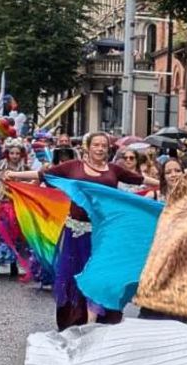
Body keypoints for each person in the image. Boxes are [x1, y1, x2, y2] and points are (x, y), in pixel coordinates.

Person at [37, 131, 143, 330]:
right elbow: (44, 175)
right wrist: (13, 175)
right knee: (75, 274)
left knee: (100, 274)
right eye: (96, 145)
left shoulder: (114, 169)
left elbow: (139, 180)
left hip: (103, 234)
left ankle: (94, 322)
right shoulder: (73, 167)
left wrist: (172, 181)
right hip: (76, 233)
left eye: (104, 145)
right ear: (87, 147)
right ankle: (75, 319)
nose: (100, 149)